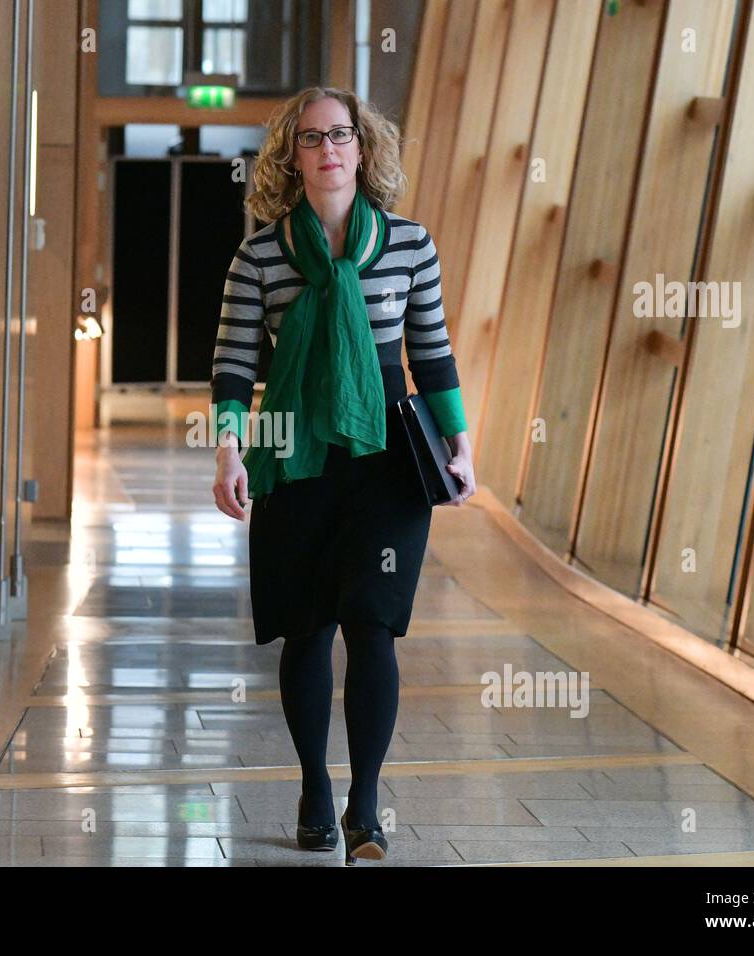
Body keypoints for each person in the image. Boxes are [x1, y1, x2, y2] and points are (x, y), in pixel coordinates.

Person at [210, 86, 477, 864]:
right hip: (295, 454)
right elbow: (233, 366)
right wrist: (228, 451)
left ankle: (364, 805)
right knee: (306, 628)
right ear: (290, 157)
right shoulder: (259, 256)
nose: (328, 148)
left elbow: (431, 352)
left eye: (340, 135)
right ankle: (314, 790)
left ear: (363, 148)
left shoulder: (409, 244)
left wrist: (460, 444)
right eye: (311, 138)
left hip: (387, 457)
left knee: (372, 625)